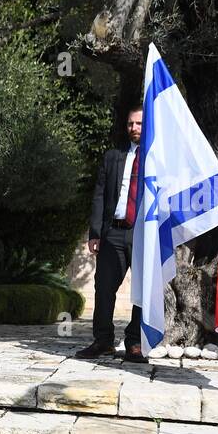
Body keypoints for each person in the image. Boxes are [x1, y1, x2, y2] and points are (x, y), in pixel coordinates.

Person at [78, 105, 147, 363]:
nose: (134, 128)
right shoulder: (113, 157)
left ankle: (135, 344)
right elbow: (99, 195)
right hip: (114, 234)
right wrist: (95, 233)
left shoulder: (157, 159)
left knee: (141, 291)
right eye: (130, 124)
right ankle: (103, 341)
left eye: (139, 124)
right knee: (104, 288)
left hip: (143, 235)